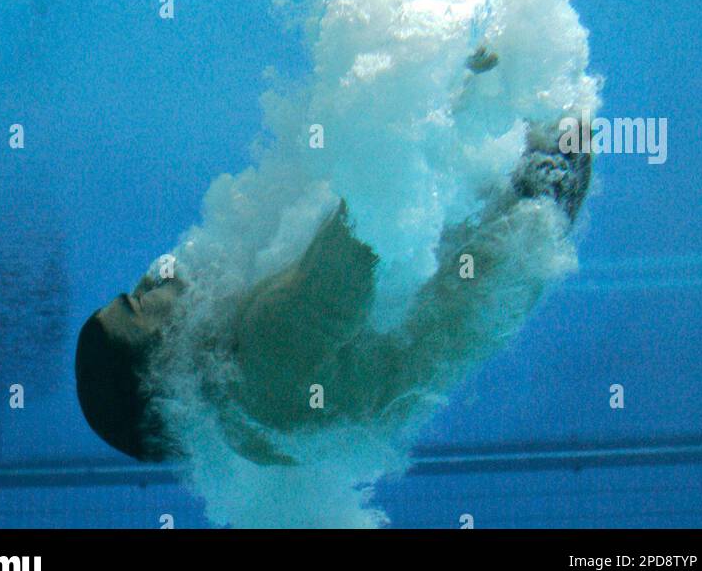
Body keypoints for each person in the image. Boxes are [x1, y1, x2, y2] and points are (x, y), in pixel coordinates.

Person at [75, 111, 591, 465]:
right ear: (164, 360)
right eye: (139, 300)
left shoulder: (246, 436)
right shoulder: (271, 343)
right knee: (563, 111)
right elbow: (379, 210)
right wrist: (439, 84)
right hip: (521, 208)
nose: (155, 275)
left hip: (512, 269)